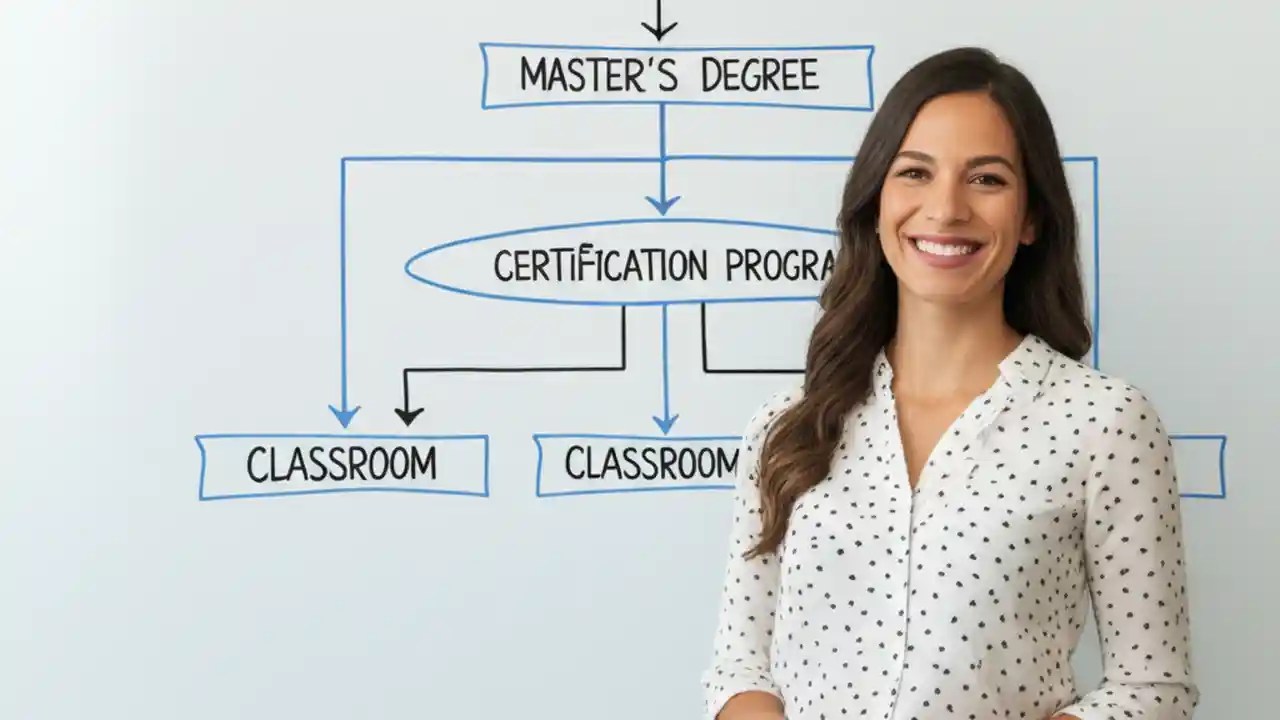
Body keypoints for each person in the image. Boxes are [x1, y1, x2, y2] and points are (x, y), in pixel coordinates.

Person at [700, 47, 1199, 720]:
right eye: (914, 173)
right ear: (876, 203)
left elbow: (1153, 687)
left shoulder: (1105, 422)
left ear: (1031, 217)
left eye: (986, 180)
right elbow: (740, 665)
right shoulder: (786, 426)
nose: (946, 208)